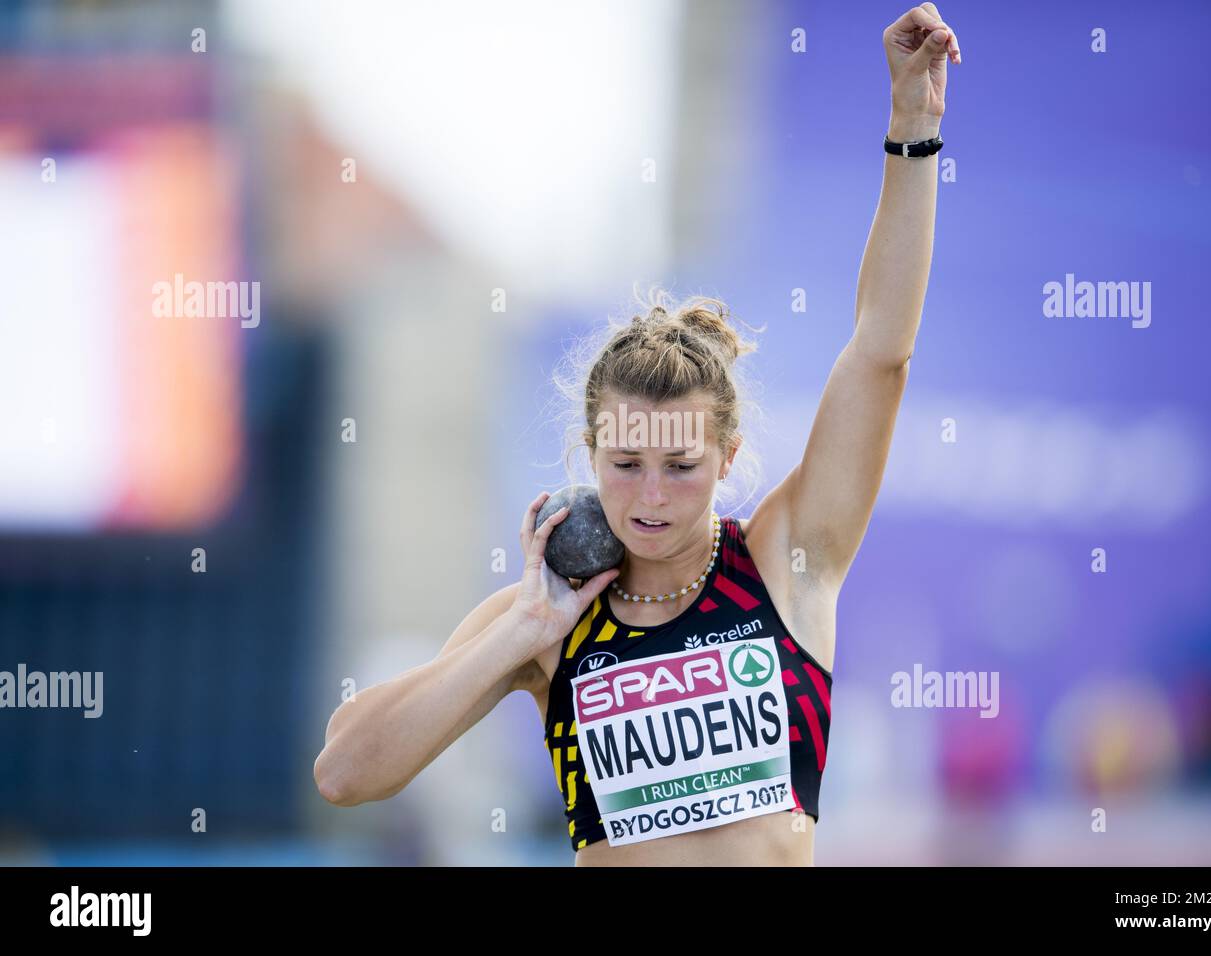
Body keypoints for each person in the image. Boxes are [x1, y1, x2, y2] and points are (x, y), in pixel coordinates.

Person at [313, 3, 959, 866]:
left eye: (682, 466)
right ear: (589, 456)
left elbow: (882, 351)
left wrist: (911, 129)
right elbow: (346, 772)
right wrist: (521, 636)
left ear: (728, 457)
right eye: (625, 465)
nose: (651, 496)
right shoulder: (544, 624)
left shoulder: (786, 560)